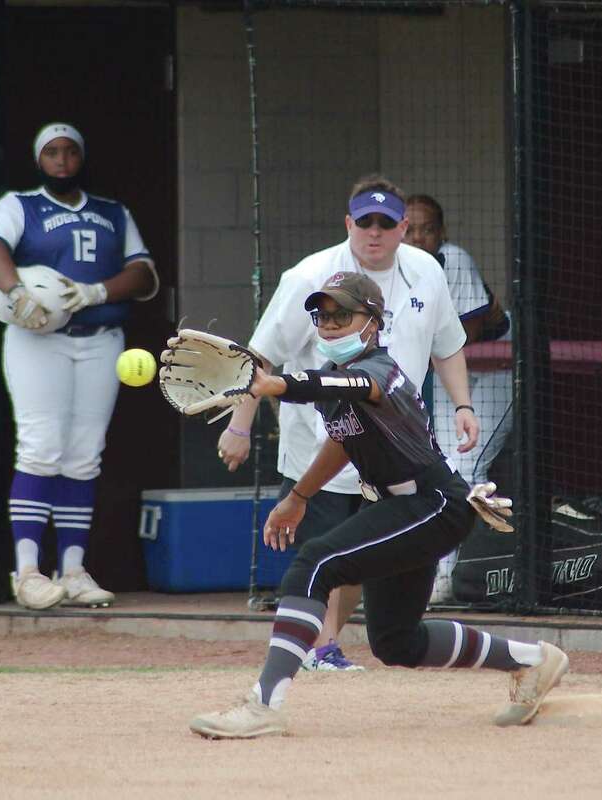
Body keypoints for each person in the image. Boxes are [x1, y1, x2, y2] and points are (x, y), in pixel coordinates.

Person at [187, 272, 568, 738]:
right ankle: (532, 660)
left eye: (342, 314)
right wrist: (298, 496)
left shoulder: (379, 371)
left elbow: (346, 386)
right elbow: (343, 442)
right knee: (397, 642)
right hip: (411, 509)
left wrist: (276, 384)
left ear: (373, 322)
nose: (329, 324)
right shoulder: (338, 379)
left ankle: (264, 704)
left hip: (433, 504)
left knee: (314, 563)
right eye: (322, 315)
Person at [216, 175, 480, 670]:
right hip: (321, 441)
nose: (374, 232)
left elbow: (447, 346)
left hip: (387, 452)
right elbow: (261, 357)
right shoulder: (309, 276)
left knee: (354, 559)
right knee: (321, 552)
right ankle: (320, 648)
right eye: (364, 222)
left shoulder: (426, 270)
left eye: (385, 223)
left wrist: (462, 405)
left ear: (404, 228)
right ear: (348, 224)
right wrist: (239, 425)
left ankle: (323, 647)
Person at [0, 122, 159, 610]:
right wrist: (16, 292)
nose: (61, 160)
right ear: (39, 159)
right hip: (39, 339)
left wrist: (97, 291)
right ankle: (27, 572)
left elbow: (144, 274)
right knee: (40, 448)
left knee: (84, 454)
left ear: (82, 157)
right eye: (52, 152)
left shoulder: (112, 212)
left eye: (70, 152)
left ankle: (73, 571)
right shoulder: (20, 205)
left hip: (101, 338)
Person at [404, 194, 513, 603]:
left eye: (427, 229)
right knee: (443, 469)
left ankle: (449, 577)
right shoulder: (395, 269)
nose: (418, 237)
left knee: (467, 465)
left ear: (442, 233)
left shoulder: (453, 259)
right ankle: (435, 572)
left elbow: (470, 332)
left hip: (497, 367)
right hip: (454, 373)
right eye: (410, 230)